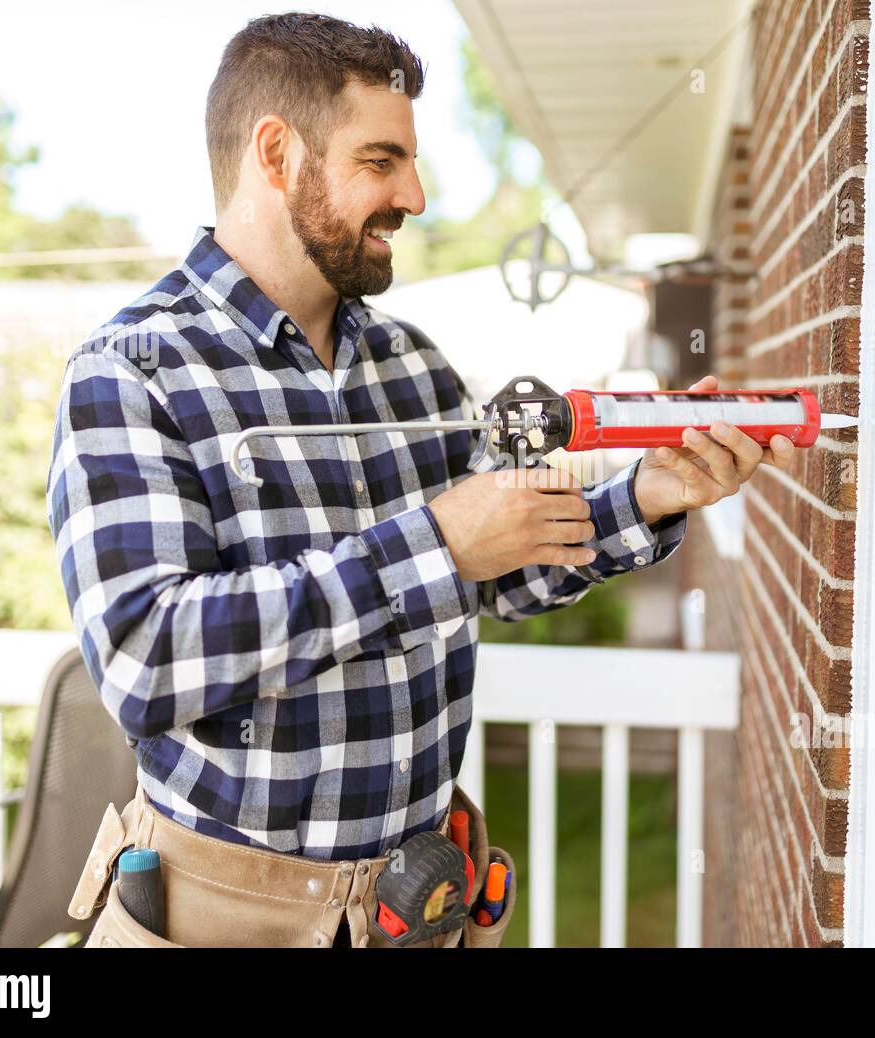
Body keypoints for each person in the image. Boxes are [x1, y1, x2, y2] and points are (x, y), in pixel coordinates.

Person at [47, 12, 794, 948]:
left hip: (418, 909)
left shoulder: (410, 362)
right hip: (223, 916)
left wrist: (650, 493)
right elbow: (145, 658)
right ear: (276, 154)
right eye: (381, 160)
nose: (418, 194)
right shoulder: (132, 370)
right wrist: (433, 546)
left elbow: (500, 559)